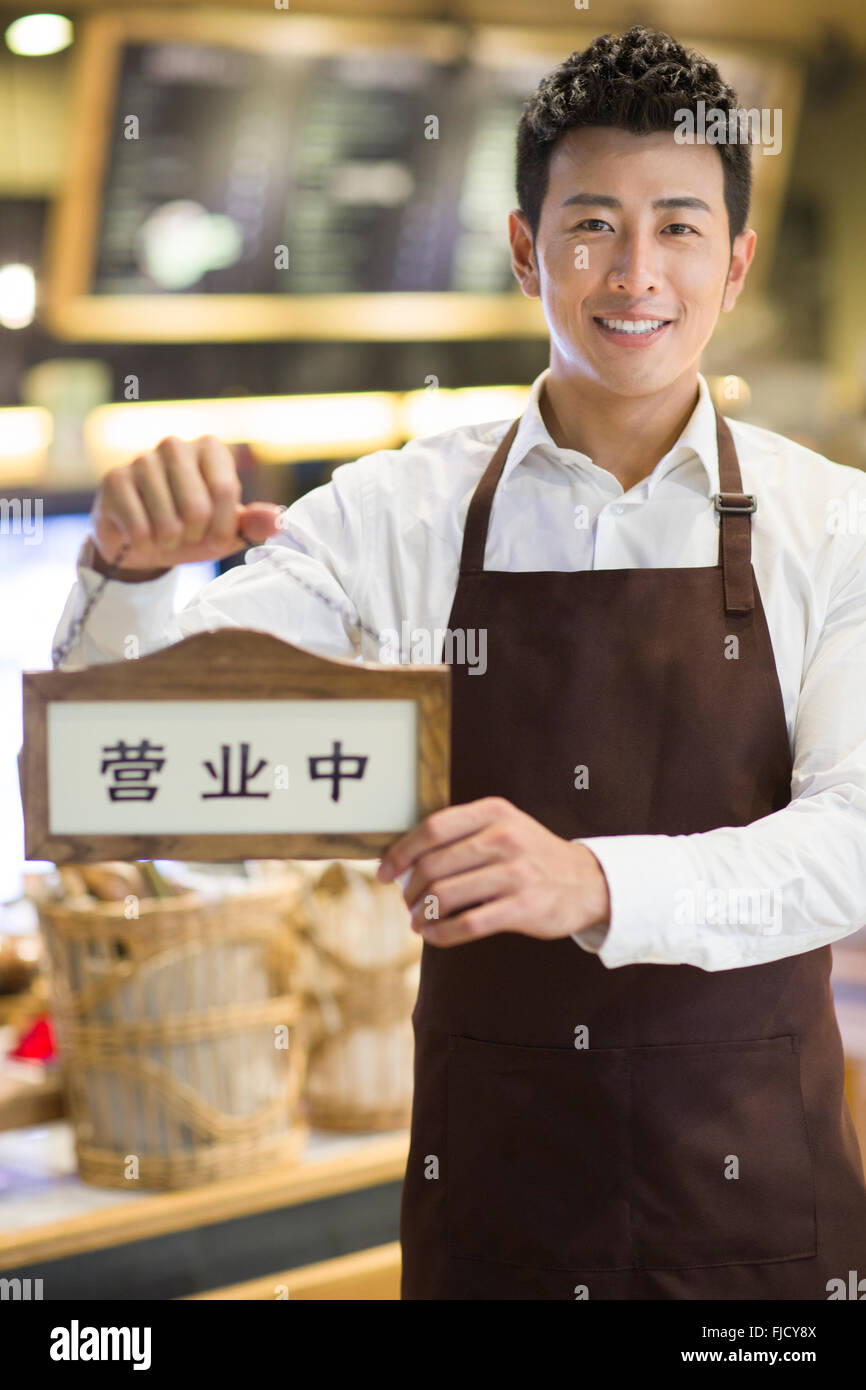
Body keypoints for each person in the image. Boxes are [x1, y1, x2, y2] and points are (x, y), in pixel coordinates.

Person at [53, 25, 866, 1299]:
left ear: (737, 259)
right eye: (591, 223)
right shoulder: (392, 516)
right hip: (492, 1228)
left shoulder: (835, 524)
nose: (634, 270)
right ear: (525, 249)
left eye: (679, 227)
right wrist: (131, 577)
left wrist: (587, 879)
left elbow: (853, 838)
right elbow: (136, 783)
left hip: (761, 1237)